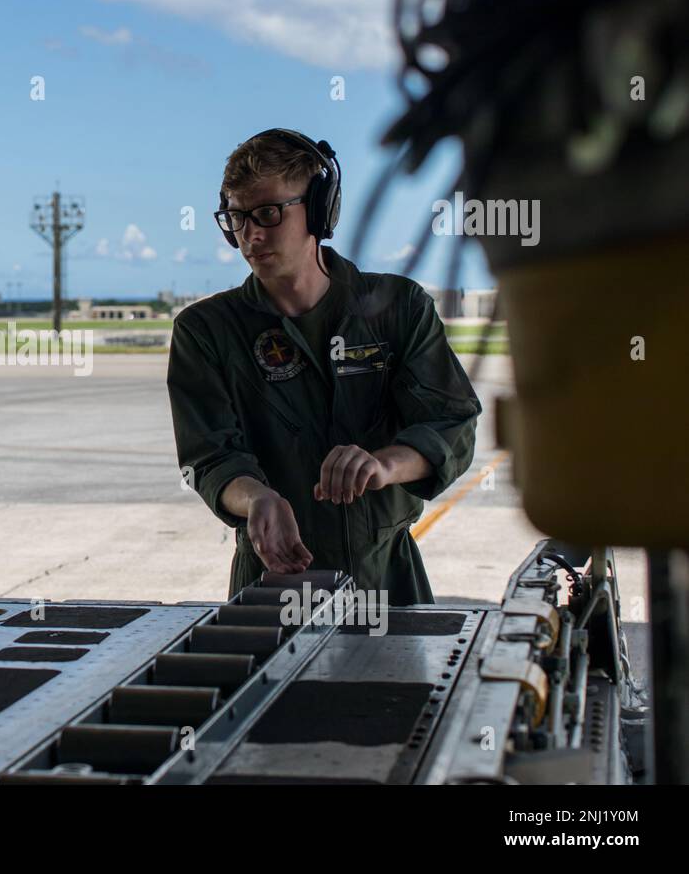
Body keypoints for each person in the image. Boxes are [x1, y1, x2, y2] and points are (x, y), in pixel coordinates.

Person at [167, 128, 481, 604]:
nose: (250, 234)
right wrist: (257, 498)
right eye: (236, 217)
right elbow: (209, 459)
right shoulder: (206, 330)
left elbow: (452, 423)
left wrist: (383, 464)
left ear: (319, 210)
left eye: (268, 213)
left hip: (388, 580)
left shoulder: (397, 307)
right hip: (271, 584)